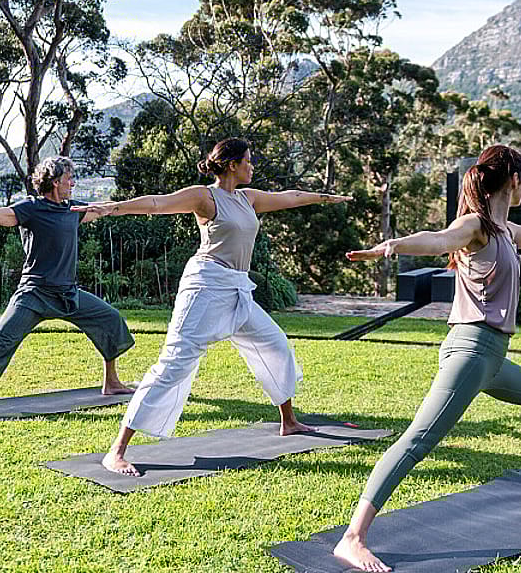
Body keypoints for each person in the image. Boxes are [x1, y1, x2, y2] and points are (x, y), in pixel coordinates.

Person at [332, 144, 521, 572]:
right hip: (471, 352)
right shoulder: (475, 225)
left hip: (493, 357)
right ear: (514, 179)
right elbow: (439, 240)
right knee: (417, 440)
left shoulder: (507, 232)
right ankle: (353, 537)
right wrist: (393, 247)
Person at [73, 137, 350, 476]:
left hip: (238, 288)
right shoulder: (205, 196)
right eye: (248, 160)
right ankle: (117, 450)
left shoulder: (248, 198)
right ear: (232, 164)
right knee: (174, 364)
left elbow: (290, 198)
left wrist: (327, 198)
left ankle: (289, 421)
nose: (252, 166)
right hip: (205, 287)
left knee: (276, 345)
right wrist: (111, 207)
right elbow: (159, 204)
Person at [0, 156, 135, 426]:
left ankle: (111, 382)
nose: (72, 183)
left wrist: (150, 205)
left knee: (109, 319)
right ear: (55, 183)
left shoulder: (74, 210)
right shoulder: (31, 209)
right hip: (34, 294)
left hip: (68, 293)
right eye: (68, 179)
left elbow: (109, 209)